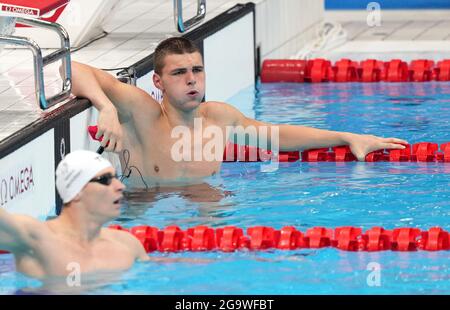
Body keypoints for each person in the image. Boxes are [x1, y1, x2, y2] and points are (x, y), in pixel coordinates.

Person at [69, 37, 408, 187]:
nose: (191, 81)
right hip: (149, 219)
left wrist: (347, 136)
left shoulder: (218, 117)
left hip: (204, 215)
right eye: (179, 73)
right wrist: (107, 108)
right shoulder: (142, 111)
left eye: (197, 71)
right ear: (157, 81)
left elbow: (275, 136)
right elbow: (72, 68)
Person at [0, 150, 149, 283]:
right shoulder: (37, 240)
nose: (120, 186)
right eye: (105, 180)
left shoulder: (128, 246)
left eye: (116, 177)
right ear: (76, 191)